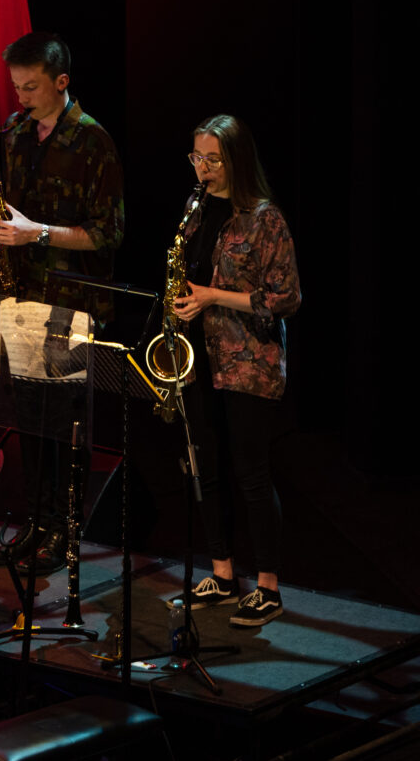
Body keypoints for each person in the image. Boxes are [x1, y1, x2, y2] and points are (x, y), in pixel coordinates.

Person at [0, 32, 123, 576]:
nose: (21, 98)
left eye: (31, 87)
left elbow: (108, 233)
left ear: (62, 82)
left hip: (69, 303)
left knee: (64, 426)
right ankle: (36, 526)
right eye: (16, 86)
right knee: (30, 424)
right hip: (19, 296)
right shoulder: (13, 136)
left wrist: (37, 234)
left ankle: (65, 534)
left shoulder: (93, 142)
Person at [173, 115, 300, 627]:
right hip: (198, 357)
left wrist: (212, 298)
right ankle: (222, 574)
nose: (202, 169)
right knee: (207, 468)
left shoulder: (265, 218)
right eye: (196, 158)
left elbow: (287, 297)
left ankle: (267, 585)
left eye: (212, 160)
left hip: (249, 363)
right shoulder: (195, 208)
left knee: (250, 474)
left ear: (236, 161)